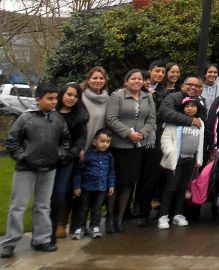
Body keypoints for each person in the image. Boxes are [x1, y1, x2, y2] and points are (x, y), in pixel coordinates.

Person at [1, 82, 70, 258]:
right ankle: (9, 243)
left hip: (49, 169)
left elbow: (65, 141)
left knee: (43, 206)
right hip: (26, 169)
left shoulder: (58, 119)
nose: (54, 102)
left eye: (55, 98)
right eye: (50, 99)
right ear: (38, 99)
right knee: (18, 207)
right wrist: (24, 157)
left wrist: (59, 154)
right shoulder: (26, 118)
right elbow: (11, 141)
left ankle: (41, 240)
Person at [104, 69, 157, 233]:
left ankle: (120, 219)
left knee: (129, 183)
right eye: (133, 78)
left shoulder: (147, 97)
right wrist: (129, 133)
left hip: (137, 147)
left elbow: (152, 120)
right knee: (116, 184)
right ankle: (110, 219)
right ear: (126, 81)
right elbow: (111, 119)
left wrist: (142, 134)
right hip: (120, 146)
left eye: (140, 79)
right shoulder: (117, 95)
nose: (137, 81)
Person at [157, 96, 205, 229]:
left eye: (193, 106)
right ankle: (163, 216)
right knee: (170, 187)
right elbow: (165, 139)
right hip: (175, 161)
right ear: (182, 108)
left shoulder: (199, 122)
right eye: (187, 106)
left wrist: (199, 160)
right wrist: (171, 153)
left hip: (190, 161)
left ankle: (178, 214)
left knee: (182, 188)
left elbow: (200, 143)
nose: (190, 109)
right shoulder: (175, 121)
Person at [51, 83, 88, 240]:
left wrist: (71, 153)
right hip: (48, 158)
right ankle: (45, 225)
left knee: (62, 192)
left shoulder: (80, 115)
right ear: (61, 94)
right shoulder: (51, 112)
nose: (72, 98)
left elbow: (81, 138)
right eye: (69, 94)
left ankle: (58, 224)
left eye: (75, 96)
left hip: (68, 159)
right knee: (46, 193)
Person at [70, 129, 115, 240]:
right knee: (84, 208)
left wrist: (111, 185)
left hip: (101, 188)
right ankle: (80, 227)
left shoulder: (109, 156)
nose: (105, 144)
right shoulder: (87, 155)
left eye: (108, 142)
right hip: (86, 188)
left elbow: (111, 172)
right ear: (95, 142)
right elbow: (79, 171)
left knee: (97, 208)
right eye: (102, 141)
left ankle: (95, 226)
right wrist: (77, 186)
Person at [80, 67, 110, 146]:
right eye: (94, 78)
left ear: (105, 80)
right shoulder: (80, 98)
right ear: (88, 80)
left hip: (101, 147)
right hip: (82, 145)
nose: (98, 81)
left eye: (101, 78)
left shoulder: (108, 100)